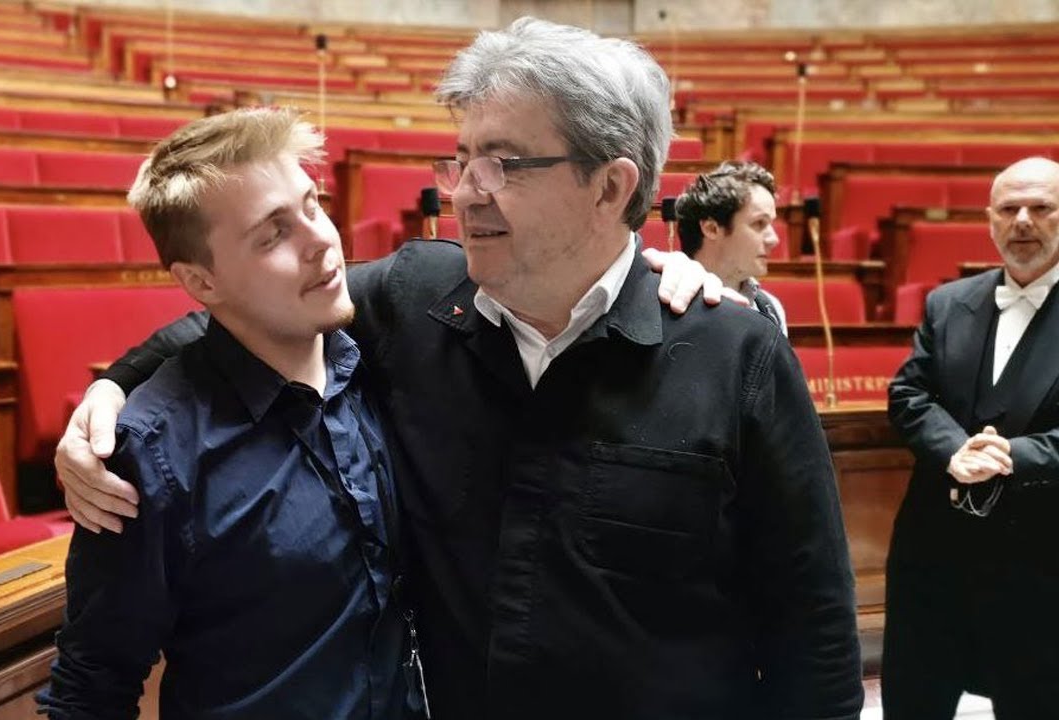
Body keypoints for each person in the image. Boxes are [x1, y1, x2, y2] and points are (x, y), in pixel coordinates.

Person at [59, 18, 863, 719]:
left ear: (610, 187)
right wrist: (112, 387)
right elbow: (233, 318)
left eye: (505, 164)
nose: (465, 192)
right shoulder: (416, 296)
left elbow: (815, 640)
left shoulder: (738, 352)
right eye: (463, 157)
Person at [38, 108, 413, 718]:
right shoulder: (149, 454)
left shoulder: (381, 358)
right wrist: (111, 388)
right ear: (201, 281)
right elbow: (91, 686)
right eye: (273, 233)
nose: (320, 238)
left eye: (312, 204)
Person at [884, 156, 1059, 719]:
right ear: (989, 220)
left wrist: (1015, 455)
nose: (1024, 221)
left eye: (1041, 208)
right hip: (936, 554)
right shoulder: (946, 302)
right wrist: (954, 449)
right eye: (1009, 209)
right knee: (917, 700)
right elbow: (908, 395)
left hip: (1042, 560)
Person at [675, 160, 788, 335]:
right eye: (759, 223)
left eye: (771, 224)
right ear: (711, 228)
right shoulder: (666, 300)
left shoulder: (772, 309)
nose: (773, 239)